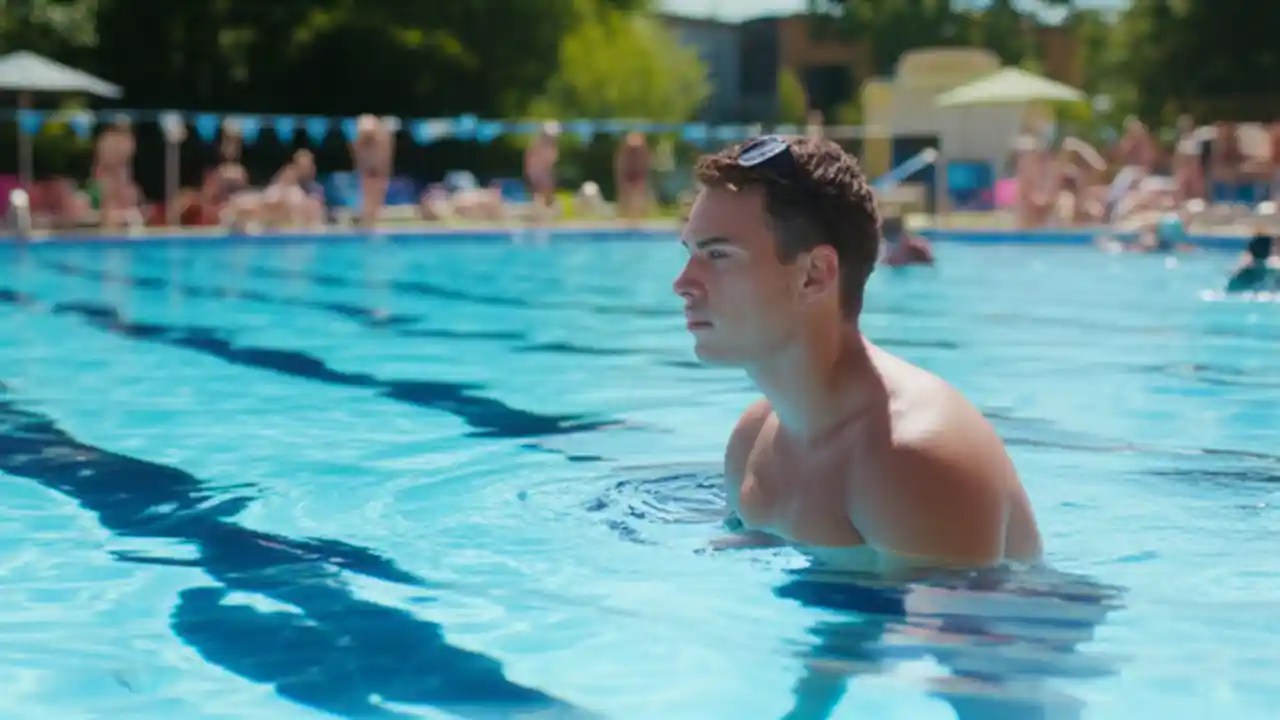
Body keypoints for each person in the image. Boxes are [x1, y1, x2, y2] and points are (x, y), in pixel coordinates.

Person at [674, 135, 1042, 572]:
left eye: (717, 254)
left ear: (814, 275)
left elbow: (956, 638)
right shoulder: (752, 441)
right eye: (692, 254)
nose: (683, 283)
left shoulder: (912, 463)